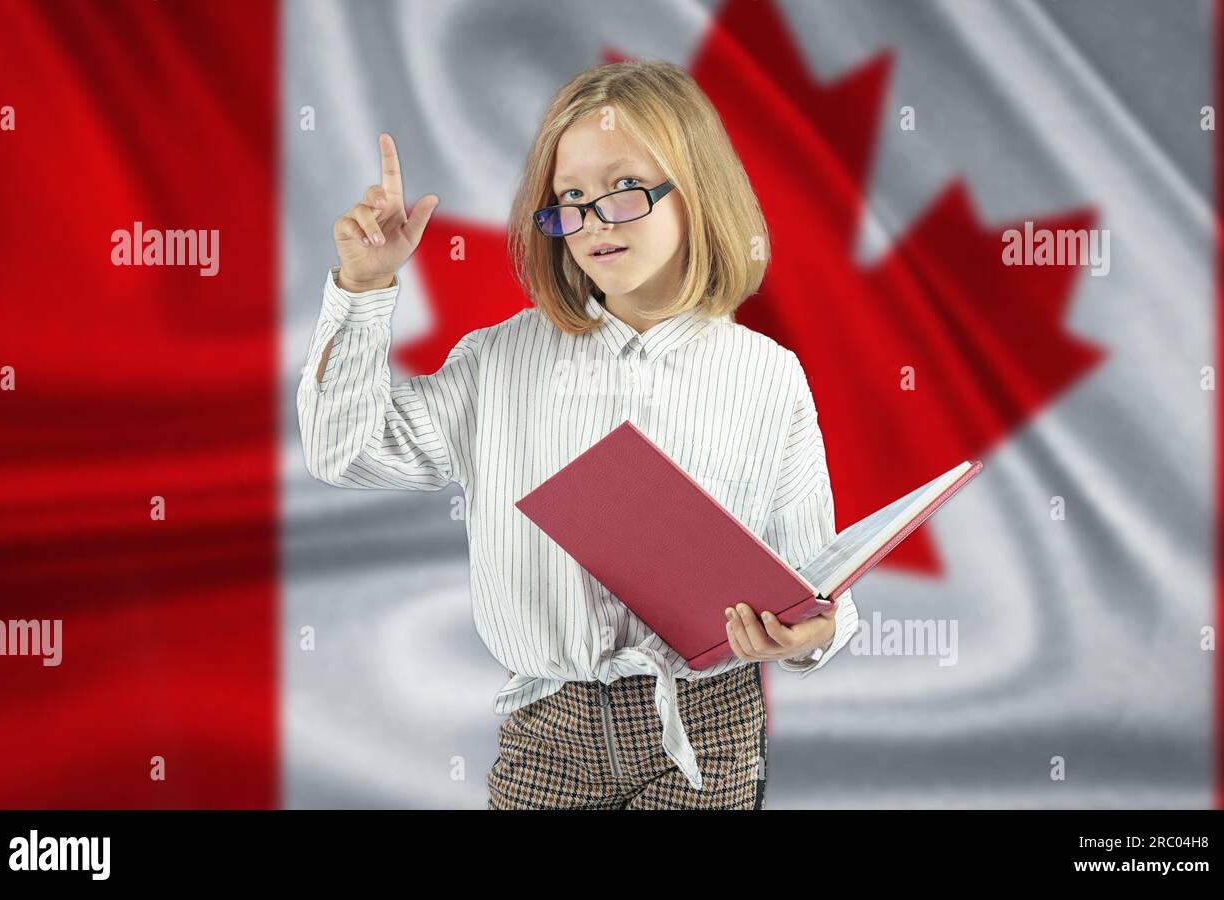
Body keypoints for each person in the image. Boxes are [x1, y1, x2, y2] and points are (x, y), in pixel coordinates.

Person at [297, 59, 860, 809]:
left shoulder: (769, 377)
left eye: (625, 191)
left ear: (696, 192)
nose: (594, 220)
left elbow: (807, 569)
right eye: (571, 199)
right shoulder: (497, 361)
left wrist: (812, 633)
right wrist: (364, 290)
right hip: (547, 728)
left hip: (707, 729)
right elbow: (345, 451)